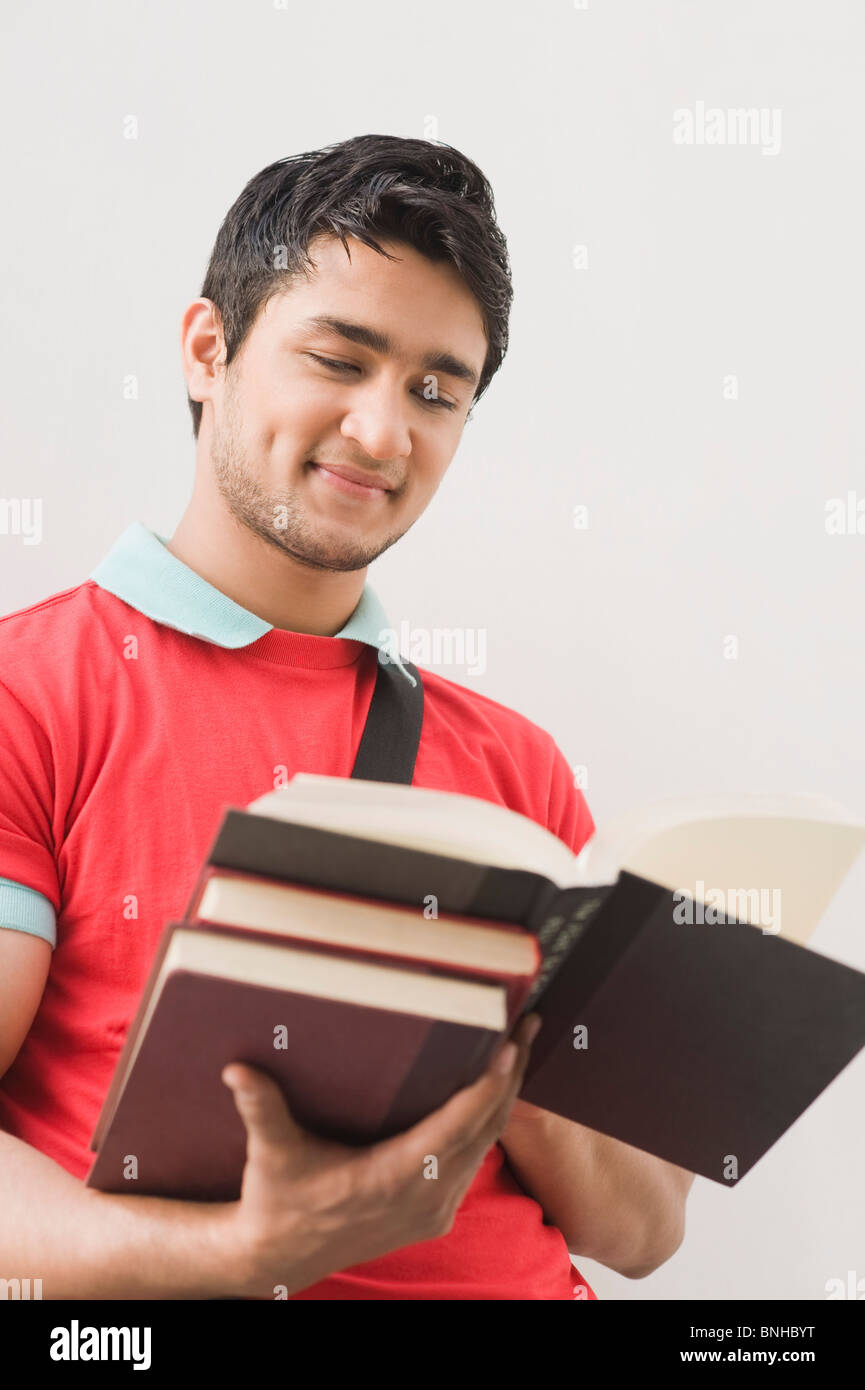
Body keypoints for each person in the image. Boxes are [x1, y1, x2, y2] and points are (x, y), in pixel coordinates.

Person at [0, 134, 693, 1300]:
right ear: (207, 350)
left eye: (436, 390)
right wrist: (235, 1255)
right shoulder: (35, 691)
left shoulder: (514, 766)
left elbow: (642, 1230)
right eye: (340, 358)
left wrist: (489, 1030)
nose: (384, 433)